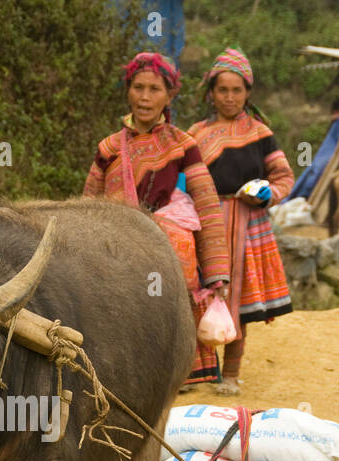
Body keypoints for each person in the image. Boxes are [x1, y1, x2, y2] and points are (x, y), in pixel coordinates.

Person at [83, 51, 231, 389]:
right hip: (118, 246)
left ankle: (180, 370)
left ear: (169, 95)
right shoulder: (108, 148)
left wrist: (218, 271)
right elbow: (88, 205)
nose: (145, 97)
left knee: (170, 296)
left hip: (168, 248)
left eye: (154, 89)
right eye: (138, 88)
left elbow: (206, 203)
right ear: (128, 91)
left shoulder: (183, 144)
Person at [189, 48, 295, 395]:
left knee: (238, 297)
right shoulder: (196, 134)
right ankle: (197, 371)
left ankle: (231, 374)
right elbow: (184, 179)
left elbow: (283, 177)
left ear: (248, 92)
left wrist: (268, 195)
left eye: (237, 90)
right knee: (199, 293)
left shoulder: (261, 133)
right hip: (206, 223)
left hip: (248, 227)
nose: (230, 97)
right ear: (211, 93)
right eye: (223, 90)